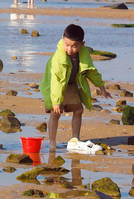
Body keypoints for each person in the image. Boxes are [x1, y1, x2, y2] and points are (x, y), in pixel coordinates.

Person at [40, 24, 111, 154]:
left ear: (82, 44)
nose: (70, 49)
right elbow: (57, 81)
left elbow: (91, 71)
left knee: (78, 110)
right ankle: (52, 142)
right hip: (54, 86)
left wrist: (102, 87)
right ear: (62, 39)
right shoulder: (59, 58)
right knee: (55, 112)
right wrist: (56, 101)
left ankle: (75, 139)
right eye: (67, 44)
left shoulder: (84, 54)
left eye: (74, 46)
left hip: (71, 85)